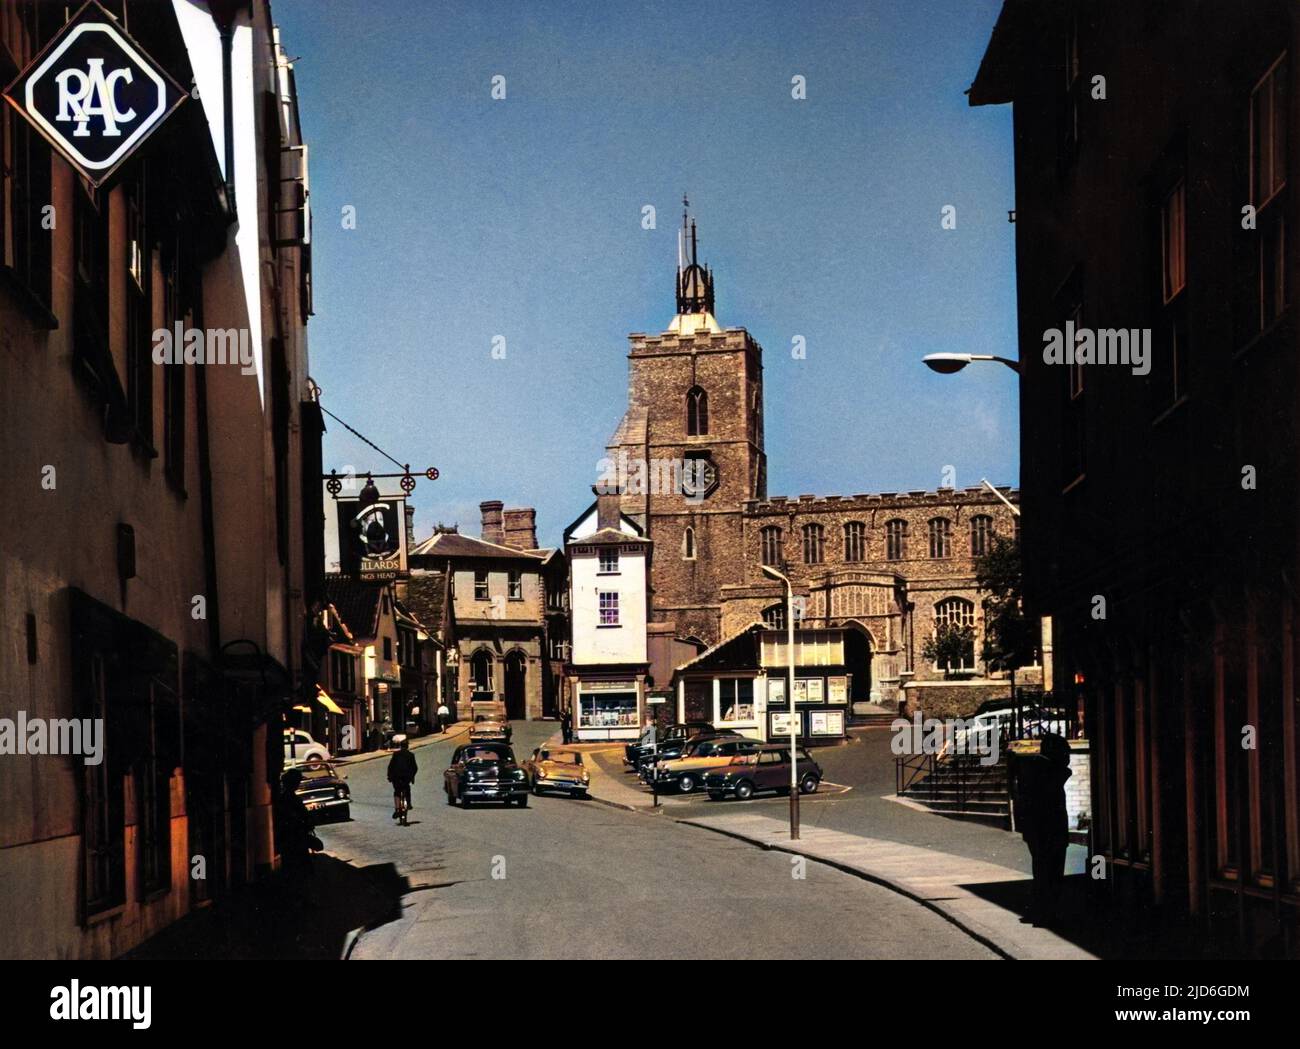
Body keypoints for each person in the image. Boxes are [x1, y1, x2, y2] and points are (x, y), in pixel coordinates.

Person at [1011, 731, 1072, 926]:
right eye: (1065, 753)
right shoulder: (1048, 770)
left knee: (1041, 873)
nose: (1067, 758)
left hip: (1036, 832)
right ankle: (1047, 913)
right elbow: (1064, 773)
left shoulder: (1032, 768)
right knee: (1052, 874)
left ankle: (1039, 911)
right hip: (1049, 831)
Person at [387, 737, 418, 820]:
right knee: (407, 789)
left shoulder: (396, 754)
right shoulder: (411, 755)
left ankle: (397, 809)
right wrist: (412, 776)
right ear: (407, 746)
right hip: (406, 777)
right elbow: (414, 768)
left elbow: (390, 766)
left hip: (396, 777)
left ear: (400, 746)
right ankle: (408, 804)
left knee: (397, 792)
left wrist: (389, 776)